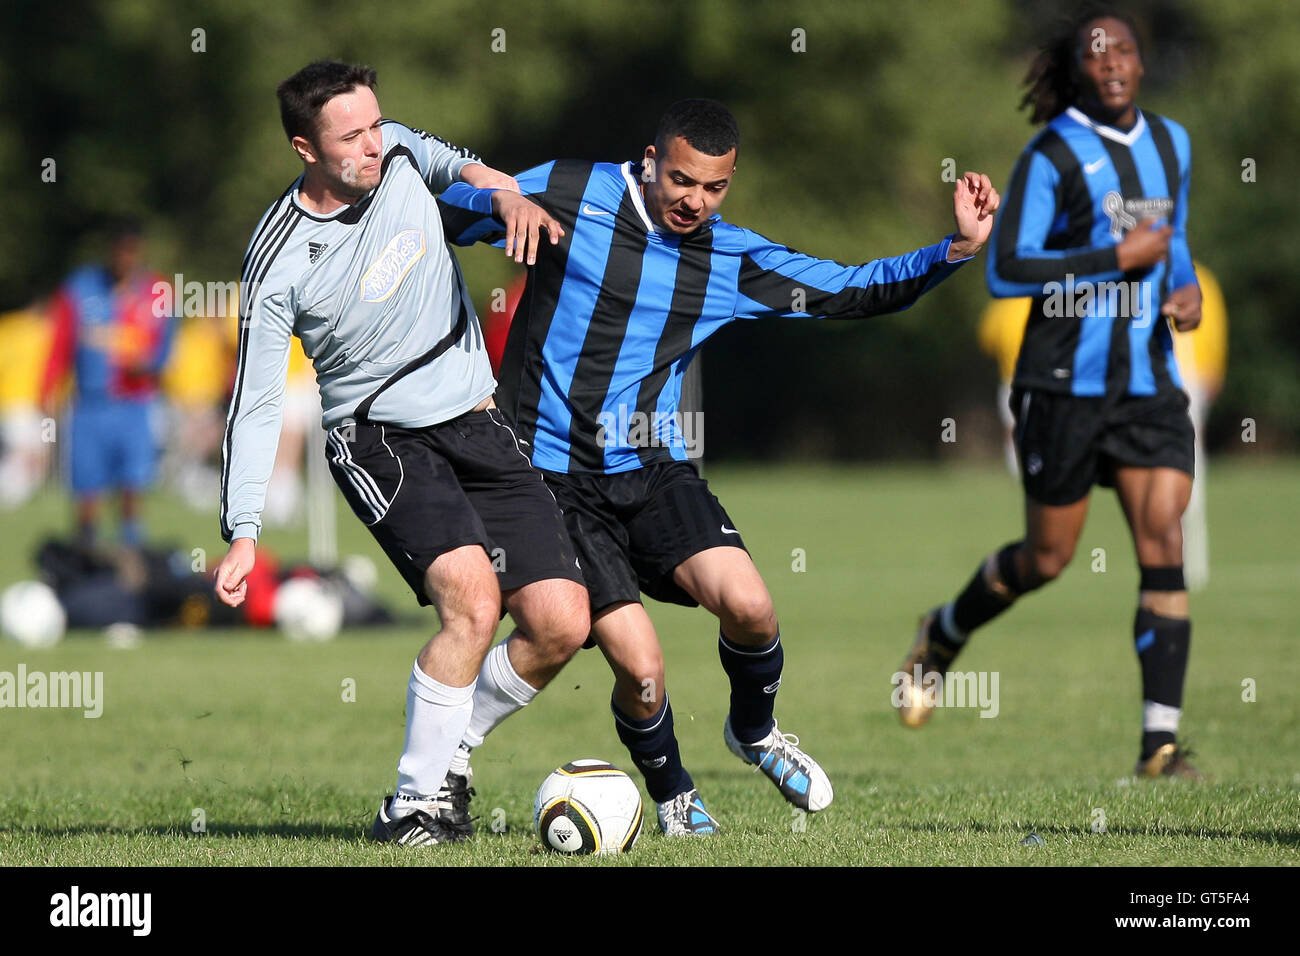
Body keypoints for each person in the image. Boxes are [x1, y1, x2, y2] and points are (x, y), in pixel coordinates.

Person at [439, 98, 1000, 834]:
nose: (694, 201)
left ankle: (755, 731)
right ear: (650, 159)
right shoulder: (570, 191)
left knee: (751, 606)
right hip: (550, 482)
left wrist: (953, 251)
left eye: (713, 188)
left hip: (653, 468)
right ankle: (673, 795)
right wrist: (489, 198)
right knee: (641, 670)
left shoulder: (728, 258)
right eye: (681, 181)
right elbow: (445, 216)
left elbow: (846, 289)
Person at [213, 60, 591, 846]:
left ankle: (450, 750)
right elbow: (256, 399)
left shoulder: (399, 154)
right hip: (377, 437)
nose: (373, 145)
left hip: (475, 422)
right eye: (351, 137)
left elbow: (468, 169)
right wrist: (244, 528)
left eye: (377, 125)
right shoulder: (278, 257)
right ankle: (414, 805)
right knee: (473, 604)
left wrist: (508, 194)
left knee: (561, 624)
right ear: (303, 149)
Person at [892, 8, 1205, 779]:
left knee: (1163, 538)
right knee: (1047, 558)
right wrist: (1112, 255)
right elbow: (1008, 271)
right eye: (1096, 55)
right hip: (1061, 385)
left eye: (1124, 49)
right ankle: (942, 633)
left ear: (1141, 59)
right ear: (1079, 71)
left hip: (1148, 386)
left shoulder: (1173, 143)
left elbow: (1177, 241)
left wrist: (1186, 286)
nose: (1113, 64)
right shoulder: (1051, 154)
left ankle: (1158, 748)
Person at [40, 220, 174, 546]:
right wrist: (46, 389)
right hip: (91, 404)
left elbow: (165, 346)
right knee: (87, 487)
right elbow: (60, 345)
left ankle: (131, 553)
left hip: (136, 404)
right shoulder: (80, 289)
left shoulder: (157, 290)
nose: (125, 258)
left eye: (131, 250)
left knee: (133, 484)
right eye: (119, 250)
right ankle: (85, 553)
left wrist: (146, 362)